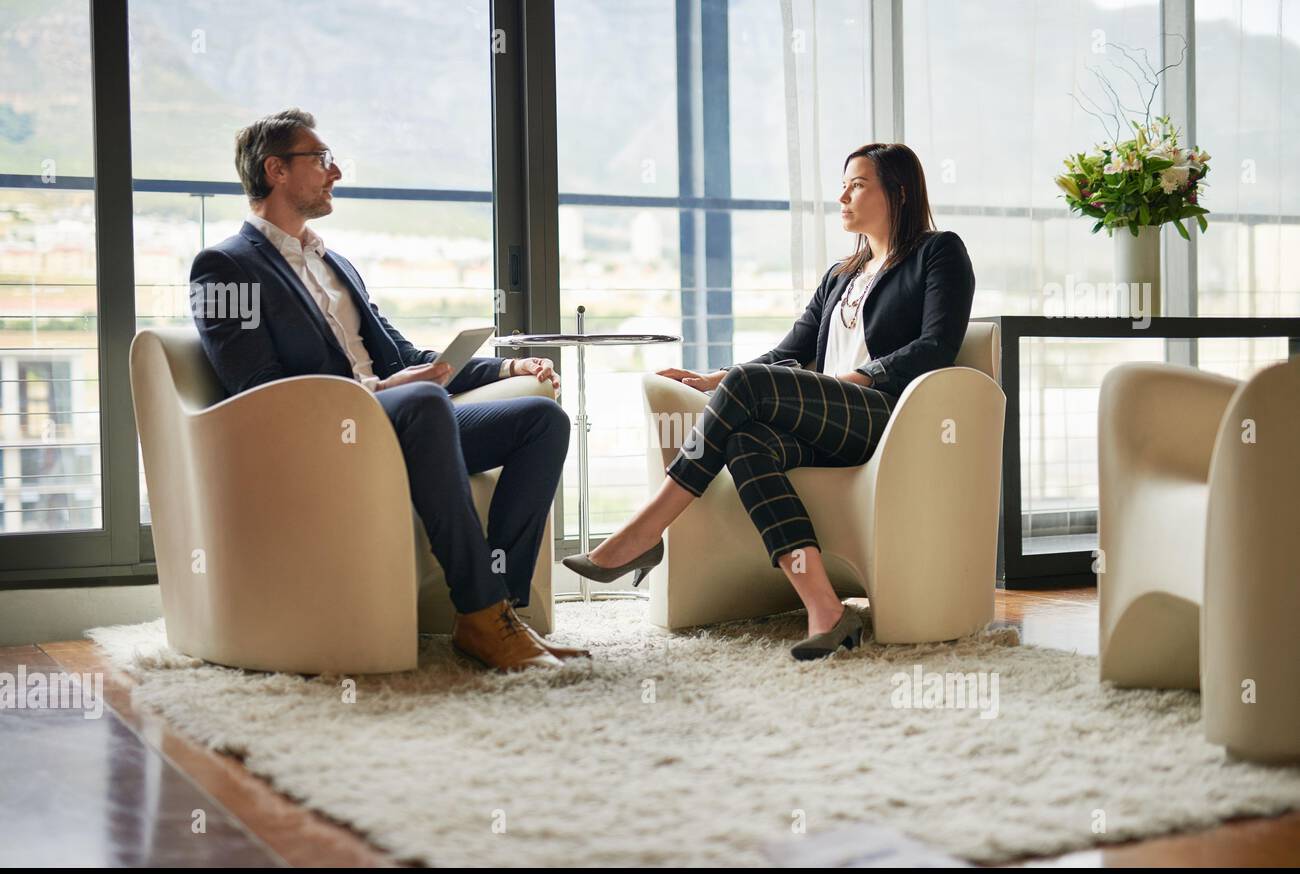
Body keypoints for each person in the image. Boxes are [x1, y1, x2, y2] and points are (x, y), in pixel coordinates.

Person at [190, 108, 579, 672]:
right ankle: (479, 607)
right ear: (275, 170)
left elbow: (411, 360)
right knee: (421, 400)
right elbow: (261, 389)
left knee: (542, 422)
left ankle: (500, 614)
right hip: (327, 436)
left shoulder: (336, 263)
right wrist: (376, 389)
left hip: (410, 423)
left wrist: (505, 371)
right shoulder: (224, 267)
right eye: (321, 159)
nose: (336, 171)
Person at [564, 143, 976, 660]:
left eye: (857, 184)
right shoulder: (841, 274)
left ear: (898, 191)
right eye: (843, 185)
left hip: (887, 416)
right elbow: (791, 352)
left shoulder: (939, 253)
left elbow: (937, 344)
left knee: (747, 385)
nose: (842, 196)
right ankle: (825, 609)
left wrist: (860, 377)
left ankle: (647, 528)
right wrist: (713, 379)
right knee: (746, 440)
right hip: (829, 418)